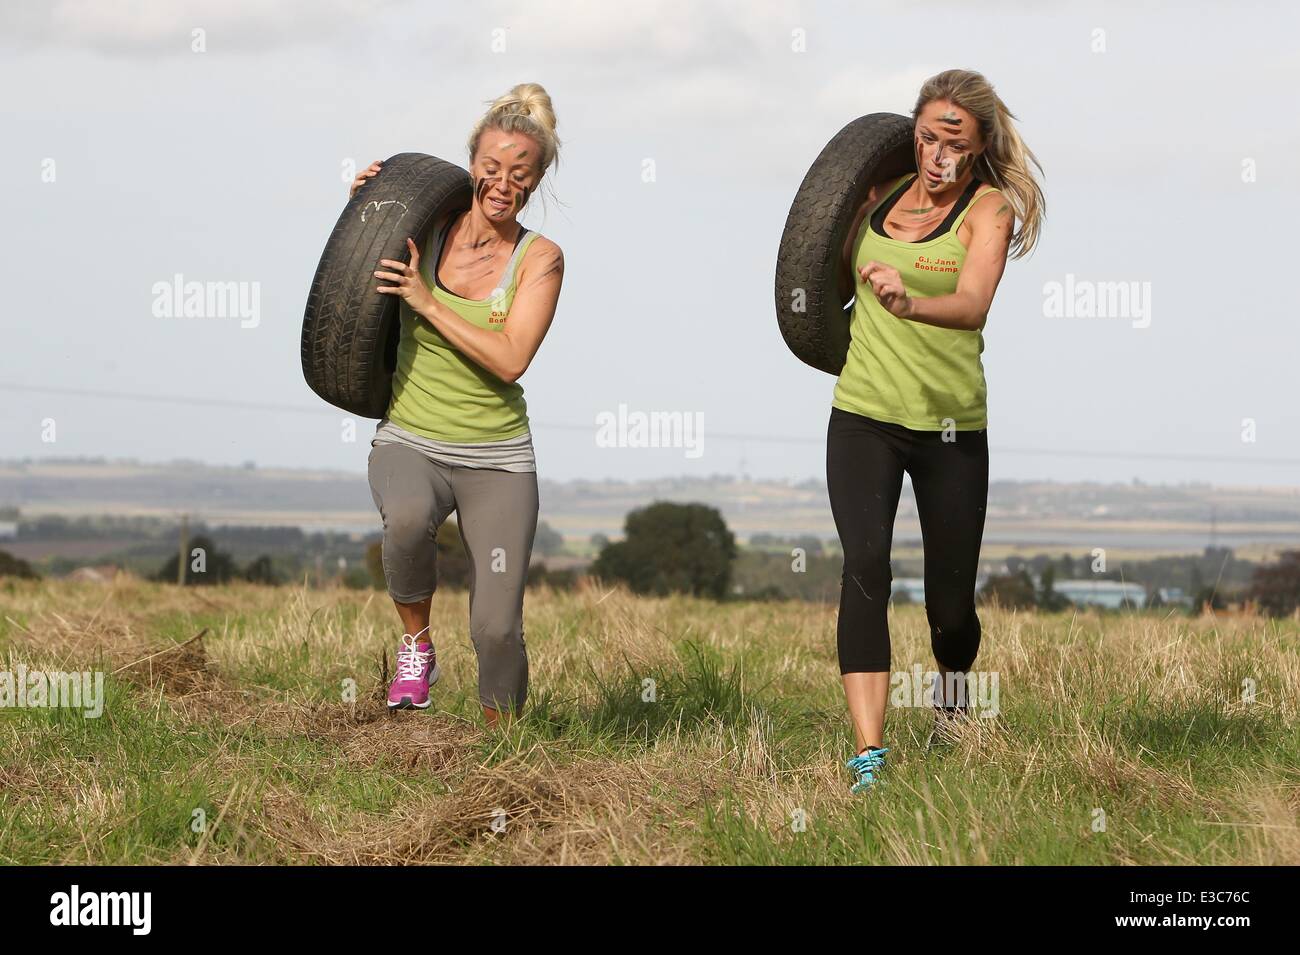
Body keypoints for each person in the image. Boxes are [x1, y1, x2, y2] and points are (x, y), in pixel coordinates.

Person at [827, 69, 1044, 793]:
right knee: (865, 568)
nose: (937, 153)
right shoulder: (871, 199)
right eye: (927, 135)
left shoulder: (989, 211)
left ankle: (952, 700)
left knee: (950, 609)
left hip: (951, 428)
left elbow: (973, 301)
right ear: (911, 134)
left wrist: (907, 300)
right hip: (863, 416)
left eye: (955, 140)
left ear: (979, 148)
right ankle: (868, 757)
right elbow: (816, 274)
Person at [355, 82, 565, 727]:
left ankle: (498, 754)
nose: (503, 184)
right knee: (408, 519)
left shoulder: (541, 260)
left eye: (520, 174)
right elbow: (353, 268)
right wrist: (367, 206)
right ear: (472, 164)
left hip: (496, 458)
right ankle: (416, 645)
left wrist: (427, 301)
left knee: (497, 628)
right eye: (492, 167)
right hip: (411, 438)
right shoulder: (427, 228)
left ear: (535, 183)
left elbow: (509, 359)